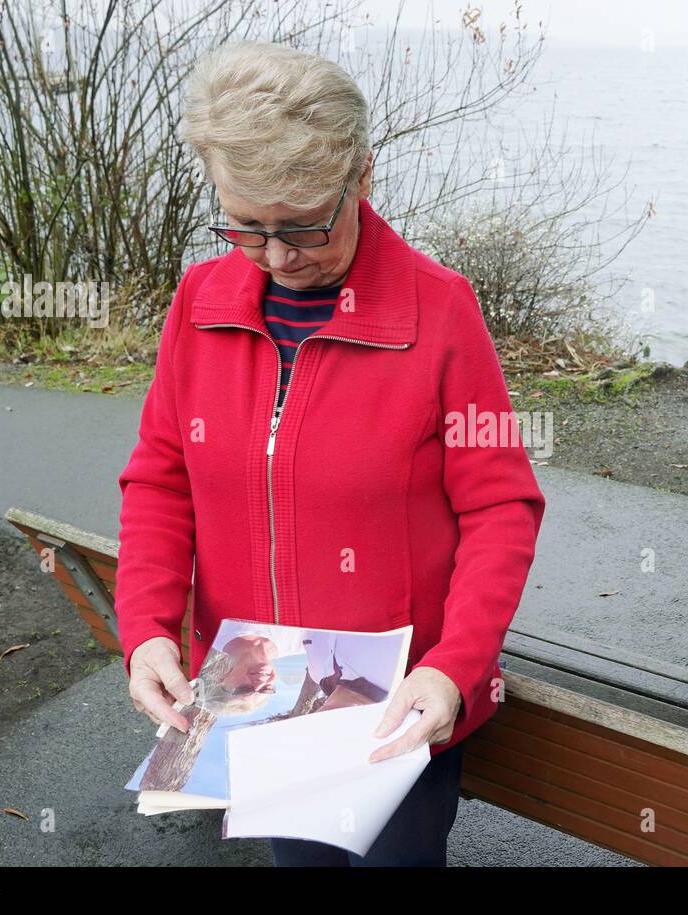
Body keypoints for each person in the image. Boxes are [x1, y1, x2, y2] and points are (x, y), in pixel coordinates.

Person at [115, 39, 546, 867]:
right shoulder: (198, 303)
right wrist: (146, 632)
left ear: (363, 177)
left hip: (397, 707)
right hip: (256, 699)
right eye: (246, 227)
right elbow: (160, 481)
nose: (278, 258)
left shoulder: (442, 311)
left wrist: (456, 668)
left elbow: (501, 507)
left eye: (304, 227)